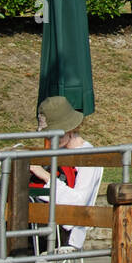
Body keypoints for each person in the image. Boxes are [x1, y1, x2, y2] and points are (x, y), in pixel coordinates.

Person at [30, 96, 101, 249]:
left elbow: (78, 203)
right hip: (43, 220)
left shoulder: (89, 157)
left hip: (65, 230)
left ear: (70, 130)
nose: (49, 138)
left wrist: (44, 175)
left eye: (54, 134)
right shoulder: (57, 151)